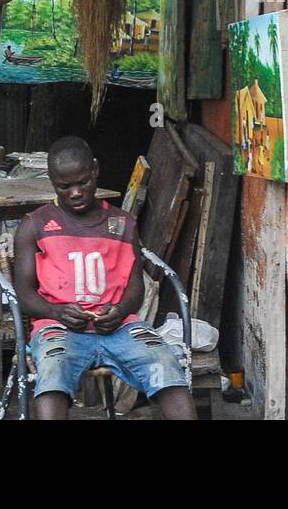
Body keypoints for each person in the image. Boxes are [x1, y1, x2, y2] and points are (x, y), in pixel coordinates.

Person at [13, 136, 195, 420]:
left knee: (165, 363)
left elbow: (136, 286)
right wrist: (56, 311)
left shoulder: (122, 224)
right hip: (57, 326)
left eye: (82, 182)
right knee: (52, 370)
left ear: (95, 169)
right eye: (64, 186)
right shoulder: (35, 224)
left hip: (119, 327)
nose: (75, 193)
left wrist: (120, 310)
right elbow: (23, 293)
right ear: (51, 182)